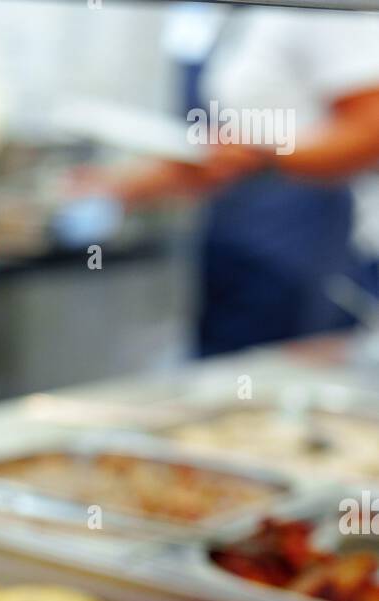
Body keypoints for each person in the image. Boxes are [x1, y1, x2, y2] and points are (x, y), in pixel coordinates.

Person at [75, 5, 379, 356]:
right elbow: (219, 151)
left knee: (283, 377)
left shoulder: (321, 14)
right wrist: (127, 185)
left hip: (306, 246)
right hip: (231, 240)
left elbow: (369, 133)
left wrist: (266, 156)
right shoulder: (222, 18)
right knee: (227, 371)